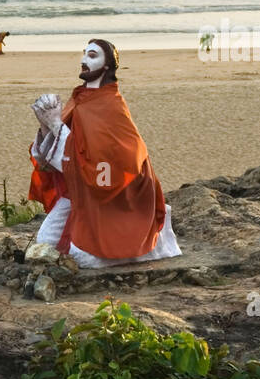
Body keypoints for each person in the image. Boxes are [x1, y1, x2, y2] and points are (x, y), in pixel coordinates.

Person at [28, 39, 182, 268]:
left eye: (92, 56)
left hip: (113, 197)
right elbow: (57, 161)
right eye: (83, 54)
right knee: (45, 243)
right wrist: (46, 126)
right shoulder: (80, 99)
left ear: (107, 65)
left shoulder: (111, 106)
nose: (83, 61)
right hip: (82, 192)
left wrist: (56, 126)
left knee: (82, 257)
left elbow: (105, 165)